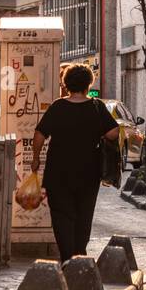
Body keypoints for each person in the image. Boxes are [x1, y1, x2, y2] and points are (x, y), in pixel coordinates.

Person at [31, 63, 119, 264]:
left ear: (66, 84)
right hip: (88, 173)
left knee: (62, 215)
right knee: (83, 215)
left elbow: (39, 134)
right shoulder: (97, 107)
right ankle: (79, 255)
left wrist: (36, 158)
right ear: (88, 84)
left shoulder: (58, 107)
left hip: (57, 173)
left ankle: (66, 258)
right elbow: (113, 132)